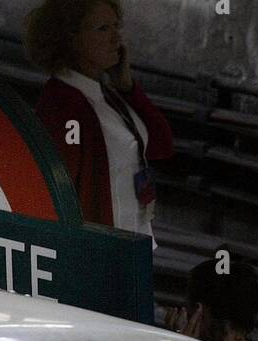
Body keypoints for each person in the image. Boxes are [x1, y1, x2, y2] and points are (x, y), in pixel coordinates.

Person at [26, 0, 174, 244]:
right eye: (103, 29)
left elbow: (161, 144)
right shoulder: (65, 104)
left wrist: (128, 88)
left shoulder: (106, 95)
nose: (117, 39)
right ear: (71, 39)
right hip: (101, 249)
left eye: (116, 26)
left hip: (130, 239)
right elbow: (56, 193)